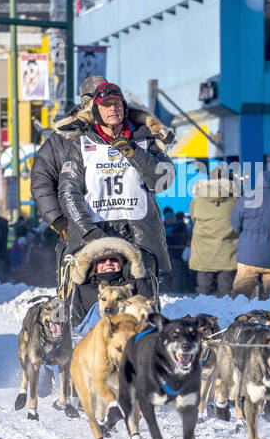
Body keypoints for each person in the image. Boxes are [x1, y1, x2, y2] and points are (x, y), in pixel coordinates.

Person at [34, 75, 174, 286]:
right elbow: (51, 184)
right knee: (86, 294)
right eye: (102, 104)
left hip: (139, 233)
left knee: (141, 296)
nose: (111, 110)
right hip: (88, 229)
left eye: (116, 104)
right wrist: (64, 222)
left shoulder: (143, 136)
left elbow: (164, 180)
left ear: (124, 106)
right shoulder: (71, 139)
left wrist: (135, 153)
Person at [230, 169, 270, 300]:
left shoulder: (246, 199)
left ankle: (237, 317)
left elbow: (235, 225)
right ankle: (268, 319)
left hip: (248, 255)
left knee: (240, 296)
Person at [188, 166, 239, 297]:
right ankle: (228, 315)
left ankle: (200, 314)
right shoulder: (235, 200)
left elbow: (193, 218)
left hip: (203, 251)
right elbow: (240, 223)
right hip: (228, 251)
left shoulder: (197, 199)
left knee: (203, 290)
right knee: (226, 291)